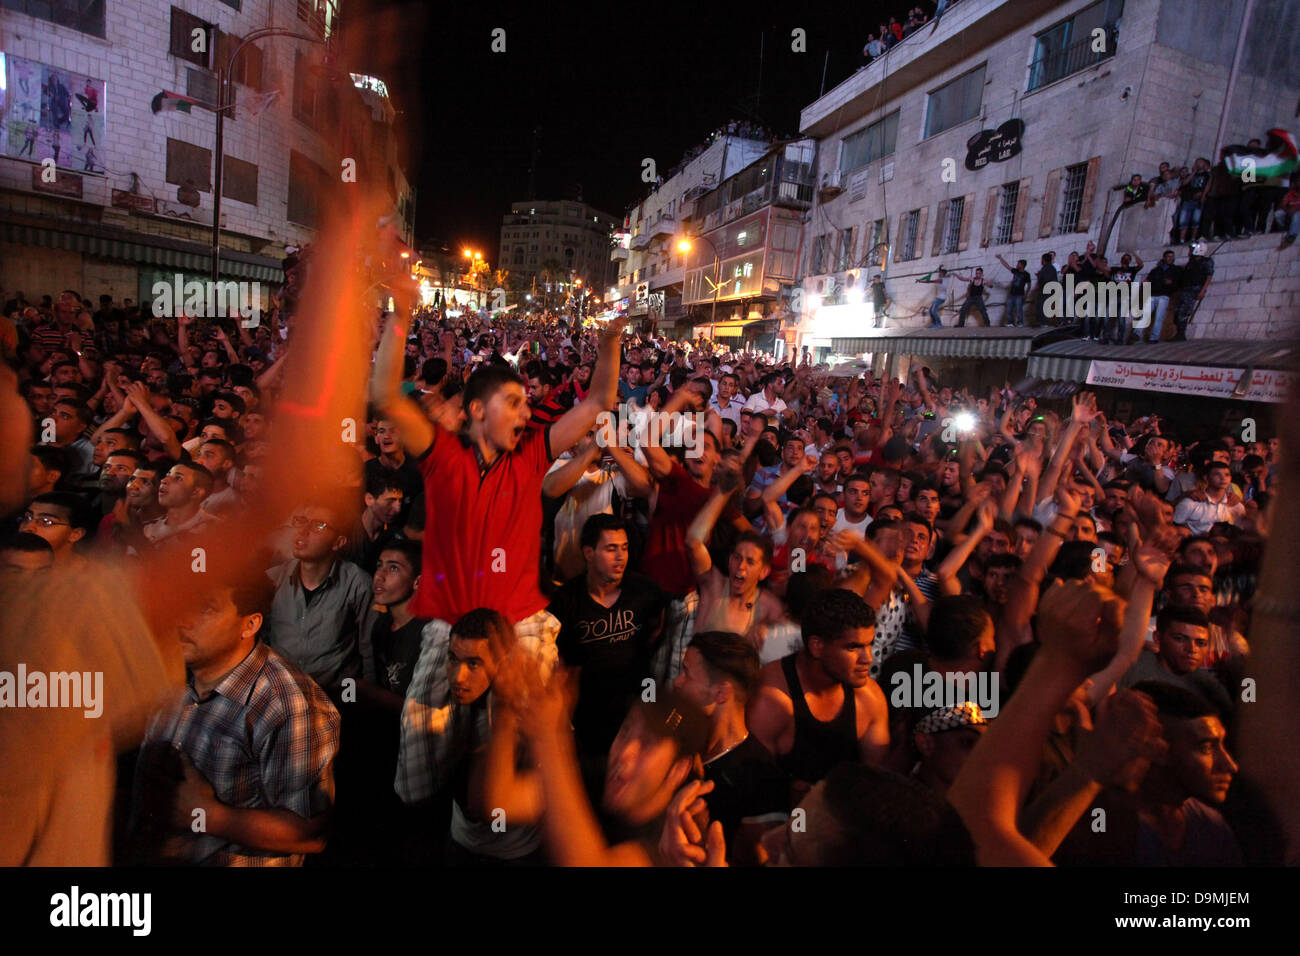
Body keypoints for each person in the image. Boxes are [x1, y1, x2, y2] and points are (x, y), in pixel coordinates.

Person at [129, 569, 340, 866]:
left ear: (250, 624)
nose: (181, 619)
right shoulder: (170, 674)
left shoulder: (288, 704)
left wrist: (206, 814)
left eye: (205, 608)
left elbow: (309, 834)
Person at [549, 514, 669, 764]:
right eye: (611, 548)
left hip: (637, 706)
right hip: (589, 717)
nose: (620, 557)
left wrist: (649, 703)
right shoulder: (566, 602)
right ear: (589, 553)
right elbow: (560, 663)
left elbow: (658, 631)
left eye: (624, 548)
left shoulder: (645, 591)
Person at [748, 588, 890, 796]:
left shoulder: (869, 698)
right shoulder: (769, 700)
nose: (867, 658)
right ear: (817, 646)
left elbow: (876, 787)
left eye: (869, 645)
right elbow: (755, 791)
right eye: (853, 647)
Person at [994, 255, 1031, 327]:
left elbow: (1029, 285)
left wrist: (1026, 295)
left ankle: (1020, 322)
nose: (1017, 265)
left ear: (1022, 265)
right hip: (1012, 294)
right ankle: (1010, 322)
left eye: (1018, 264)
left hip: (1020, 295)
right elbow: (1007, 265)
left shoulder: (1026, 274)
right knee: (1009, 309)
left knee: (1019, 309)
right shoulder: (1015, 271)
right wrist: (1001, 258)